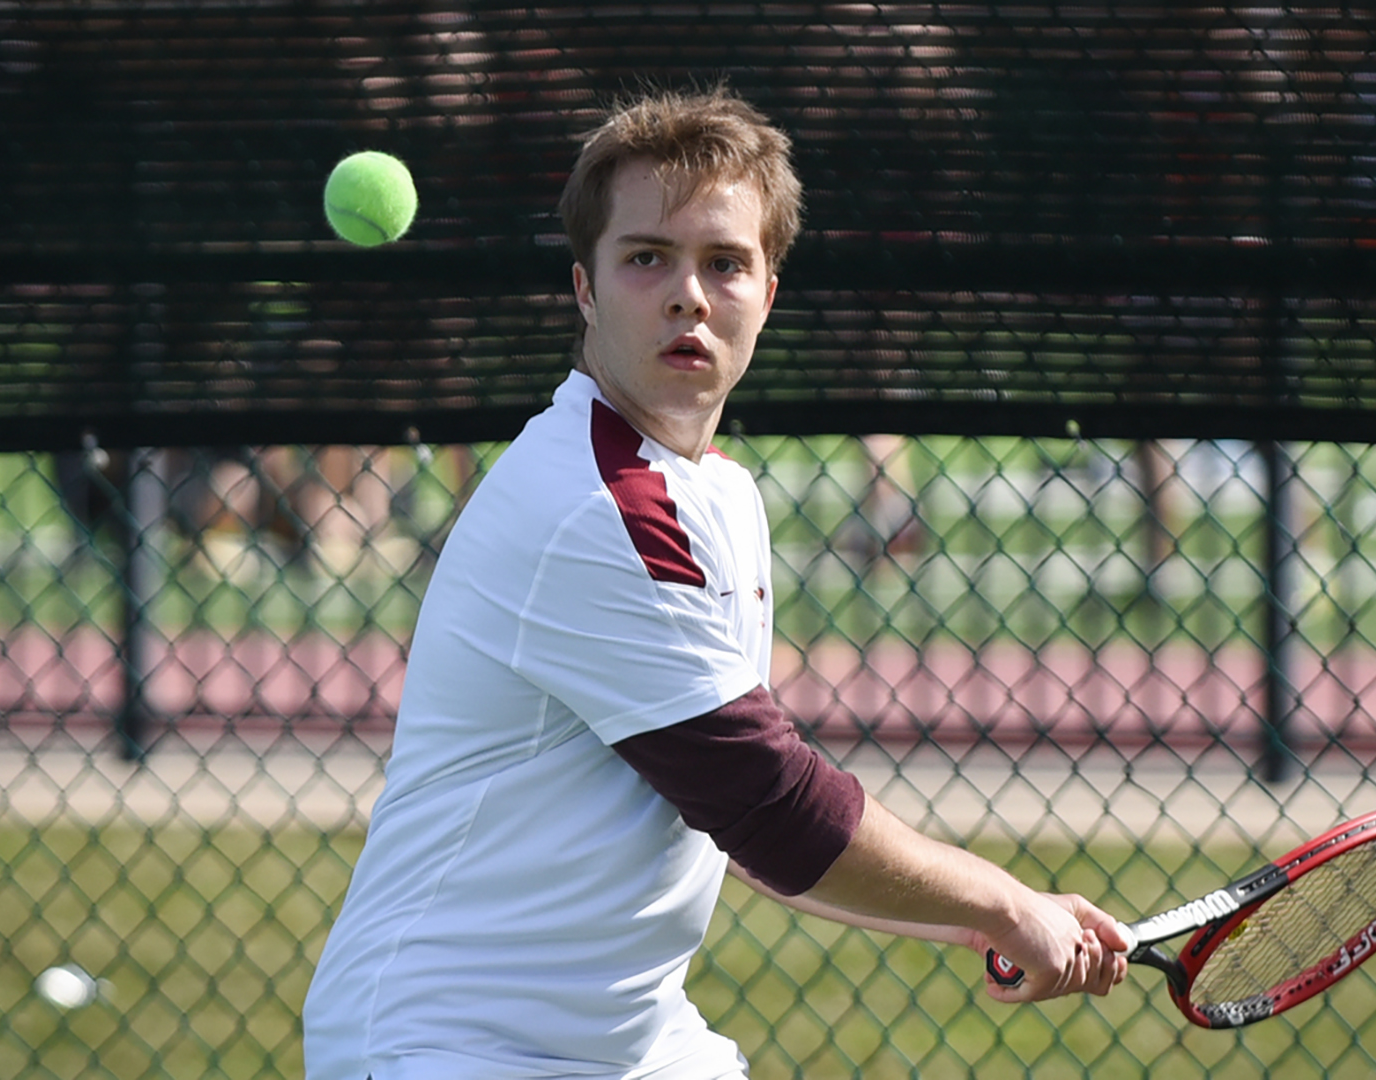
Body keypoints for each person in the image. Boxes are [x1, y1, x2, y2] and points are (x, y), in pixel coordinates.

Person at [302, 87, 1131, 1080]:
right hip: (444, 1046)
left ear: (768, 294)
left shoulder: (720, 496)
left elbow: (738, 829)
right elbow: (770, 806)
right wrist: (1004, 903)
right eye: (647, 257)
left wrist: (974, 921)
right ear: (586, 287)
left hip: (629, 1046)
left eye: (725, 263)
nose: (688, 293)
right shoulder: (595, 506)